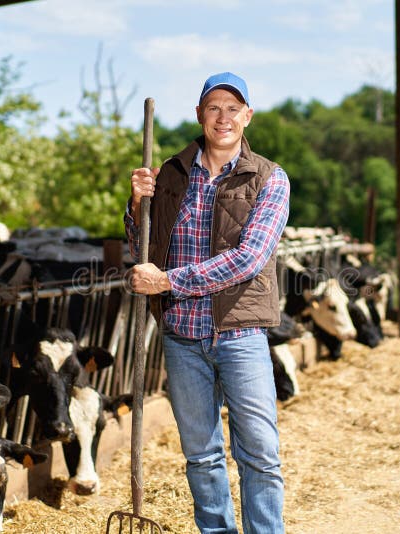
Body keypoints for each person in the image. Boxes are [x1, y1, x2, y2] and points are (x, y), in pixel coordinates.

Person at [124, 71, 290, 533]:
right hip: (181, 336)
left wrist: (166, 282)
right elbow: (144, 247)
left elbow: (248, 260)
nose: (223, 117)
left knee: (259, 454)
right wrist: (135, 205)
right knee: (201, 456)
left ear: (247, 117)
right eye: (214, 107)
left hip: (240, 335)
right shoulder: (170, 173)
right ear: (199, 114)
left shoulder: (269, 179)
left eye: (233, 108)